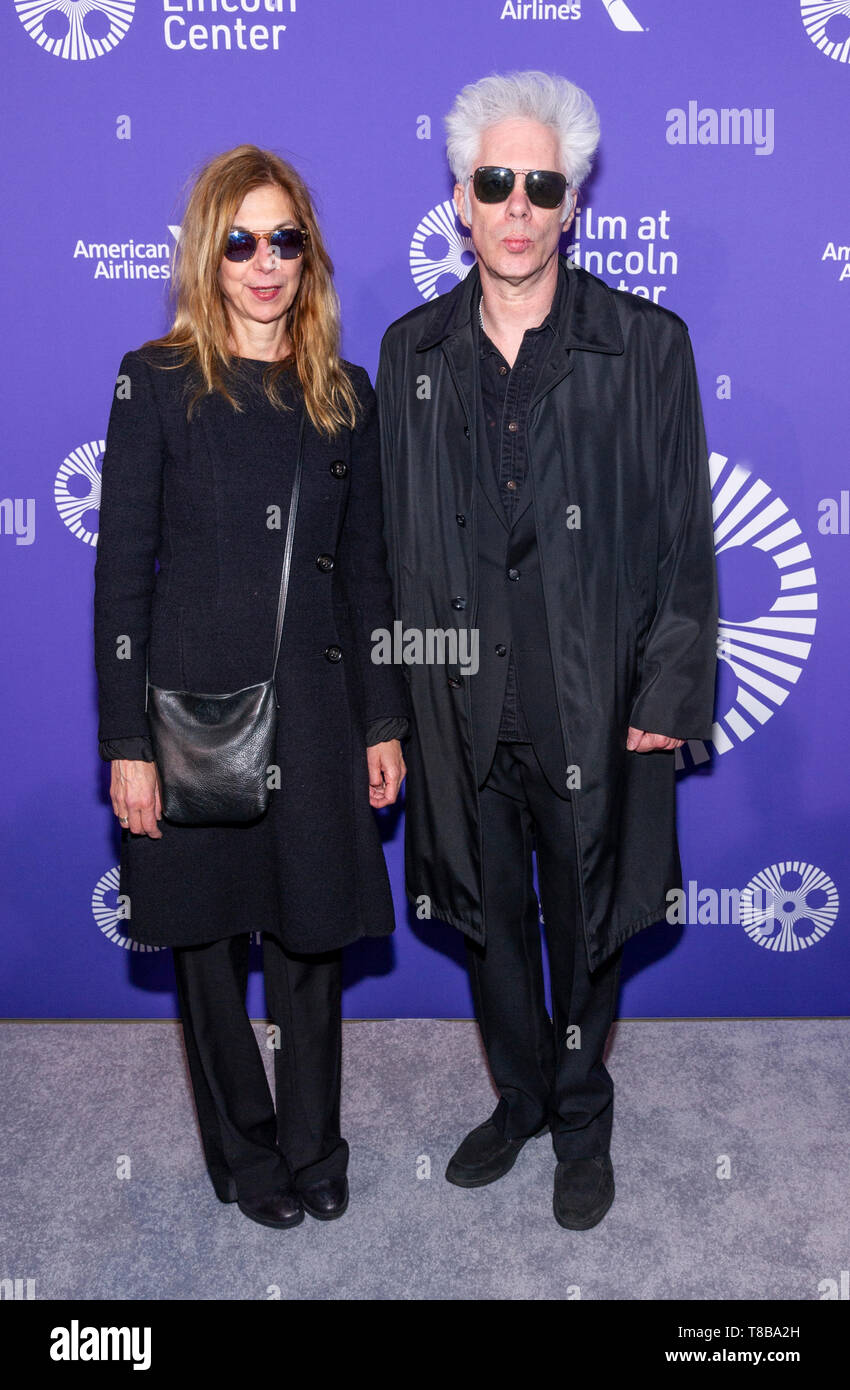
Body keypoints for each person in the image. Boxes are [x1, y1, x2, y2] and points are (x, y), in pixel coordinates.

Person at [376, 72, 718, 1229]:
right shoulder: (410, 355)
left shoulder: (644, 347)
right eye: (494, 182)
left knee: (588, 919)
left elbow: (683, 537)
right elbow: (387, 545)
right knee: (485, 919)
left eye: (541, 185)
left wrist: (666, 684)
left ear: (572, 204)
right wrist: (394, 703)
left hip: (596, 700)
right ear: (461, 200)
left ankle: (581, 1114)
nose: (516, 206)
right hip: (461, 703)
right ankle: (517, 1097)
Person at [94, 145, 407, 1229]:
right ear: (208, 253)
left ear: (307, 253)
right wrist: (124, 743)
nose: (265, 262)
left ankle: (316, 1143)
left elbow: (368, 574)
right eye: (241, 241)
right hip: (192, 713)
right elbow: (121, 571)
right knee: (208, 946)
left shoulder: (344, 397)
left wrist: (382, 717)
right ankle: (246, 1151)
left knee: (310, 938)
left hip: (317, 712)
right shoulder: (158, 381)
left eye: (285, 239)